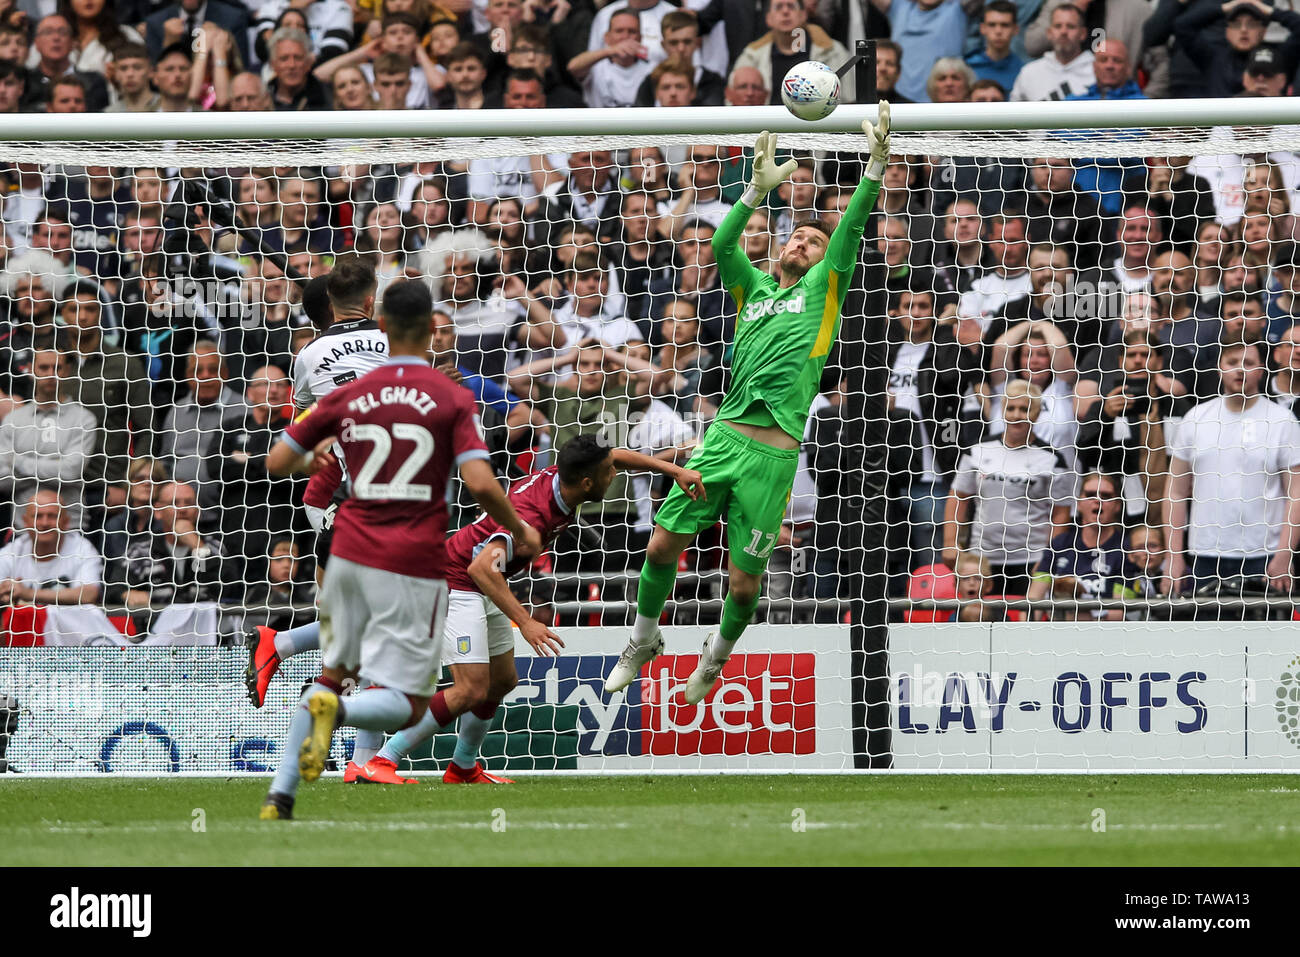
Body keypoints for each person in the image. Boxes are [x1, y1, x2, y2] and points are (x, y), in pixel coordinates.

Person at [604, 106, 892, 704]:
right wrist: (753, 190)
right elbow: (724, 242)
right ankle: (643, 639)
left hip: (772, 460)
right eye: (797, 235)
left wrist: (872, 170)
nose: (803, 244)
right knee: (661, 546)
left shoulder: (823, 290)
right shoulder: (752, 290)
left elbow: (850, 233)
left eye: (813, 242)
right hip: (724, 439)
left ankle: (715, 658)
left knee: (742, 584)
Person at [251, 434, 704, 784]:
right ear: (588, 482)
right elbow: (482, 567)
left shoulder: (565, 477)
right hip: (456, 581)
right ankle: (379, 759)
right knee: (467, 687)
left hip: (471, 579)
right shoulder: (532, 515)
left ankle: (462, 766)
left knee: (500, 681)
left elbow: (616, 455)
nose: (614, 476)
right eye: (609, 474)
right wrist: (525, 621)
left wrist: (671, 469)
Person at [257, 279, 542, 820]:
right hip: (411, 552)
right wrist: (520, 529)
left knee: (338, 664)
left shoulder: (347, 394)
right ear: (431, 329)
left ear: (381, 326)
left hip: (346, 542)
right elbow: (480, 483)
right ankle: (334, 713)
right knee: (405, 700)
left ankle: (282, 794)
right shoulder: (450, 396)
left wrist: (312, 458)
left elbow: (276, 463)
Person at [1164, 340, 1300, 597]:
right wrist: (1173, 557)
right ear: (1219, 369)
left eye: (1248, 363)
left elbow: (1296, 493)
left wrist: (1284, 554)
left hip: (1263, 554)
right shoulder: (1195, 418)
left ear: (1261, 370)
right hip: (1204, 553)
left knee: (1263, 637)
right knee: (1205, 636)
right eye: (1232, 363)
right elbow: (1176, 492)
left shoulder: (1282, 421)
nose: (1240, 370)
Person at [943, 379, 1076, 595]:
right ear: (1003, 410)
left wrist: (1049, 560)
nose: (1016, 415)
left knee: (1025, 623)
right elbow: (958, 496)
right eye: (1011, 408)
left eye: (1024, 409)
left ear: (1036, 414)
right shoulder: (977, 451)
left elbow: (1061, 513)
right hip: (982, 559)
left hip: (1032, 559)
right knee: (980, 619)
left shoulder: (1053, 459)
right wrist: (950, 542)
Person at [1028, 471, 1139, 620]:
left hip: (1105, 635)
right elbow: (1033, 599)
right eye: (1090, 494)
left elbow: (1118, 613)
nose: (1097, 501)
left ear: (1117, 505)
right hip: (1057, 633)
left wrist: (1081, 618)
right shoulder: (1060, 543)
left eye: (1105, 496)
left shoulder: (1126, 549)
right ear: (1079, 503)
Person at [0, 488, 102, 609]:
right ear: (25, 522)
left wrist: (28, 594)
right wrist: (5, 593)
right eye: (38, 516)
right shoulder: (12, 551)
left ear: (66, 522)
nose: (44, 523)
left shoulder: (82, 549)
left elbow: (89, 594)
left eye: (52, 516)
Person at [1008, 1, 1092, 102]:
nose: (1063, 32)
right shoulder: (1029, 73)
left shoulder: (1098, 71)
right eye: (1058, 26)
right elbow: (1015, 114)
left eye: (1070, 26)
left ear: (1083, 33)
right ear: (1049, 33)